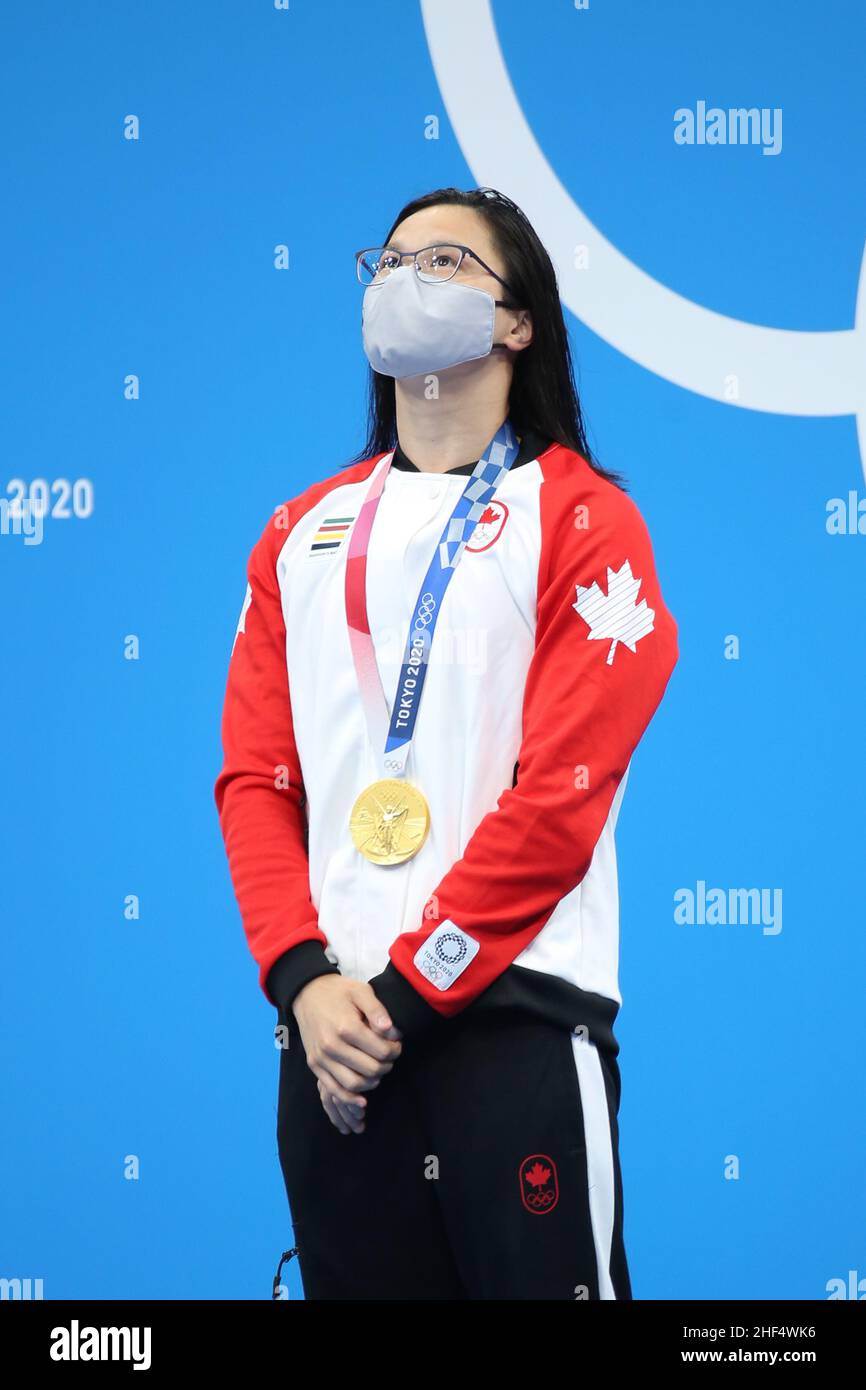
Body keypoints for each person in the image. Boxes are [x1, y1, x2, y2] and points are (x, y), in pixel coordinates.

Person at [214, 186, 679, 1301]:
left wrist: (410, 997)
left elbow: (559, 799)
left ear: (517, 321)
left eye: (445, 261)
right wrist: (304, 983)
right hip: (331, 1049)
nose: (404, 277)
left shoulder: (580, 520)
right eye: (390, 259)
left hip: (510, 1027)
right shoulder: (296, 534)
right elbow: (255, 781)